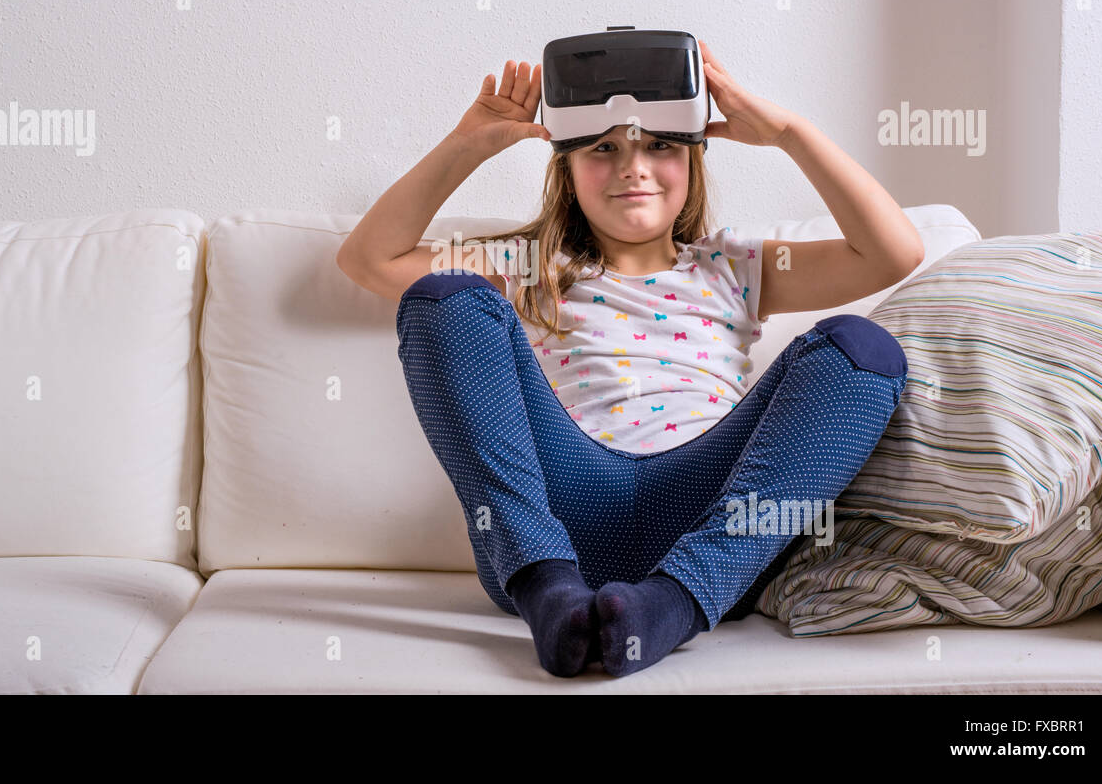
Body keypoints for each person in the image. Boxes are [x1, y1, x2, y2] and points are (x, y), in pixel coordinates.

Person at [335, 41, 924, 678]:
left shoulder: (736, 268)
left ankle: (673, 603)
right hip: (563, 507)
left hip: (708, 518)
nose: (632, 168)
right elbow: (371, 260)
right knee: (444, 295)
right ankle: (547, 591)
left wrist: (788, 133)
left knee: (862, 351)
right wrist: (470, 143)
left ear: (694, 162)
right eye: (604, 148)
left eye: (659, 146)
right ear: (566, 166)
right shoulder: (532, 266)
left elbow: (891, 253)